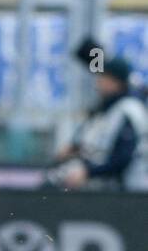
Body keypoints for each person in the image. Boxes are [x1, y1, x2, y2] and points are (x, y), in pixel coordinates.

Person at [49, 56, 148, 190]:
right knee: (51, 182)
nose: (98, 82)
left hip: (129, 191)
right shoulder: (107, 108)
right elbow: (95, 146)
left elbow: (122, 158)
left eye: (103, 77)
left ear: (116, 82)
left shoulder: (129, 110)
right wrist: (75, 150)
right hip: (107, 185)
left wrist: (88, 172)